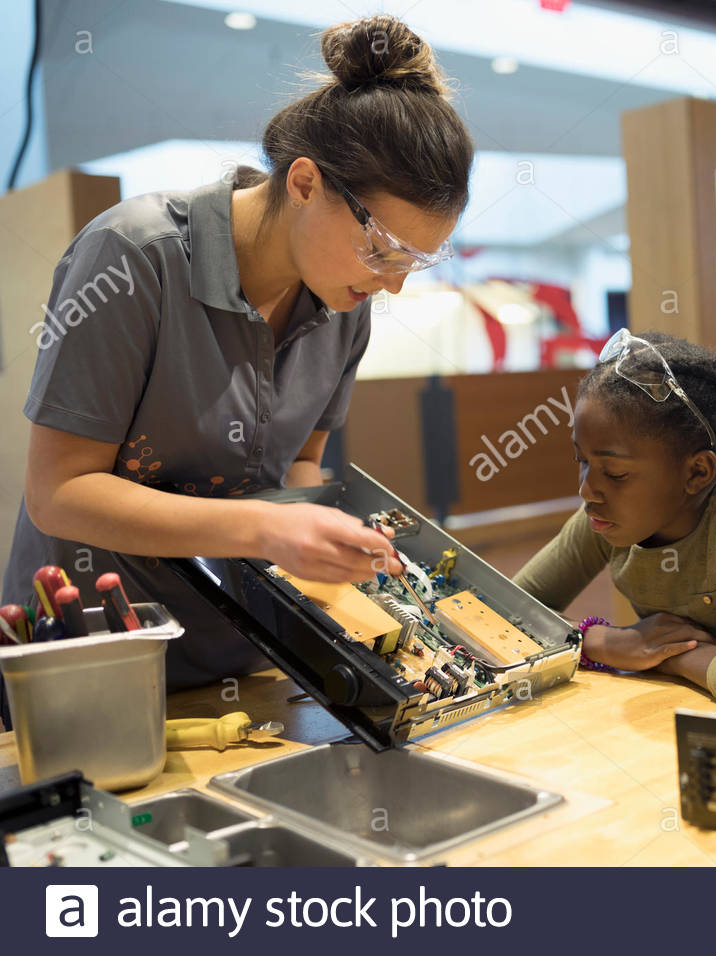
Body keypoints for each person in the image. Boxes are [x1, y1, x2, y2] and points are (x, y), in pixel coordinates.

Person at [1, 14, 473, 709]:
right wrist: (263, 526)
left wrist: (327, 534)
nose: (394, 282)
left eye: (417, 261)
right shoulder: (136, 257)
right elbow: (59, 492)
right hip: (95, 668)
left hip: (250, 662)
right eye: (383, 250)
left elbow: (299, 468)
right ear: (307, 184)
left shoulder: (343, 302)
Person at [513, 330, 716, 707]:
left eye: (614, 473)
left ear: (697, 473)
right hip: (668, 715)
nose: (587, 490)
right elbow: (499, 611)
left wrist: (674, 658)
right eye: (582, 461)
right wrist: (601, 641)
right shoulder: (606, 512)